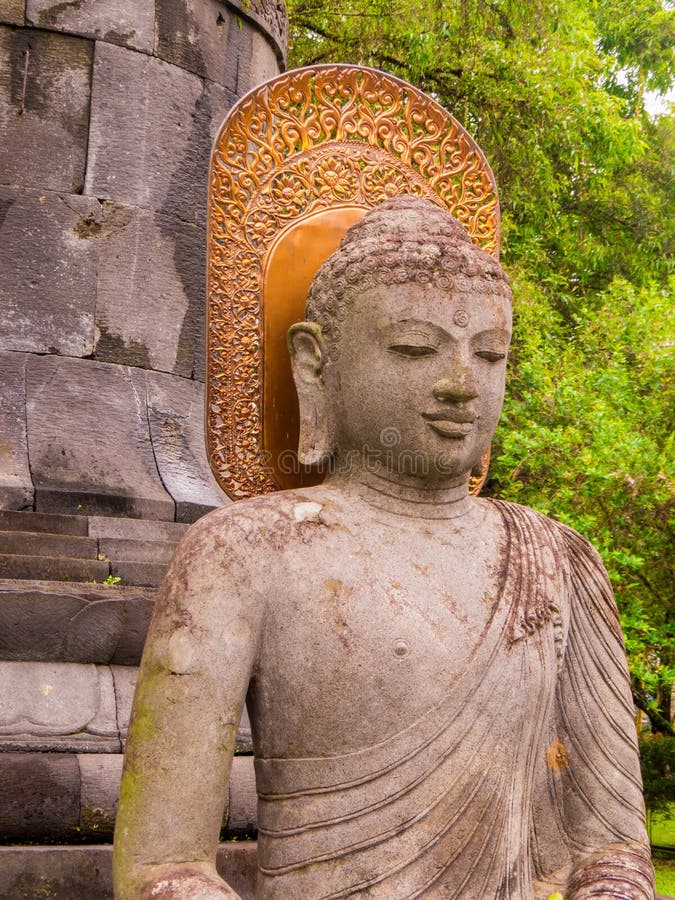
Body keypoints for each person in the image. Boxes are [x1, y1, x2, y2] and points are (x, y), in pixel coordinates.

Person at [113, 196, 653, 899]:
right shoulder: (243, 553)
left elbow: (612, 846)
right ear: (316, 365)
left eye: (490, 354)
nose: (462, 385)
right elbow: (161, 868)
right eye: (414, 349)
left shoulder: (556, 559)